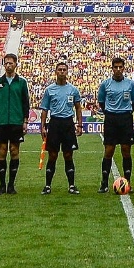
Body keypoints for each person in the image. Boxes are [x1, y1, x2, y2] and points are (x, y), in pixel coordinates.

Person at [36, 62, 82, 195]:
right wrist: (43, 126)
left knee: (68, 155)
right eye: (60, 70)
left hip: (68, 123)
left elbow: (78, 107)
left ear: (67, 72)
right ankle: (48, 186)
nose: (62, 72)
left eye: (64, 70)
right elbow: (44, 109)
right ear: (56, 72)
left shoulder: (73, 89)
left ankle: (72, 186)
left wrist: (79, 125)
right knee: (53, 155)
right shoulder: (49, 90)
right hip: (55, 123)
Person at [0, 52, 30, 194]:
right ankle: (1, 185)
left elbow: (26, 103)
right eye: (6, 63)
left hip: (16, 121)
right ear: (3, 64)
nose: (8, 65)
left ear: (16, 64)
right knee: (1, 151)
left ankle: (11, 185)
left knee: (14, 150)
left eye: (11, 63)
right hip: (1, 122)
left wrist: (25, 120)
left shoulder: (22, 82)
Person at [97, 55, 134, 193]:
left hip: (125, 119)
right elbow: (102, 102)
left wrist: (125, 113)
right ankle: (104, 183)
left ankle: (127, 182)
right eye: (116, 67)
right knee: (109, 150)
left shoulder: (130, 84)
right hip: (111, 119)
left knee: (126, 150)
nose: (118, 69)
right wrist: (111, 113)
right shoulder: (105, 84)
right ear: (112, 68)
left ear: (124, 68)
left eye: (121, 67)